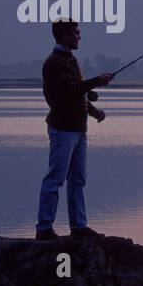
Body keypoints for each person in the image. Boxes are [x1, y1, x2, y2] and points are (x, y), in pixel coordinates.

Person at [35, 19, 114, 240]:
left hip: (79, 130)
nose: (80, 36)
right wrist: (97, 81)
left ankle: (78, 226)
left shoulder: (71, 59)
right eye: (76, 33)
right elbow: (67, 92)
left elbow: (77, 94)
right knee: (55, 179)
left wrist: (95, 112)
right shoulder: (53, 63)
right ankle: (44, 228)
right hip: (62, 130)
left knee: (78, 179)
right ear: (64, 36)